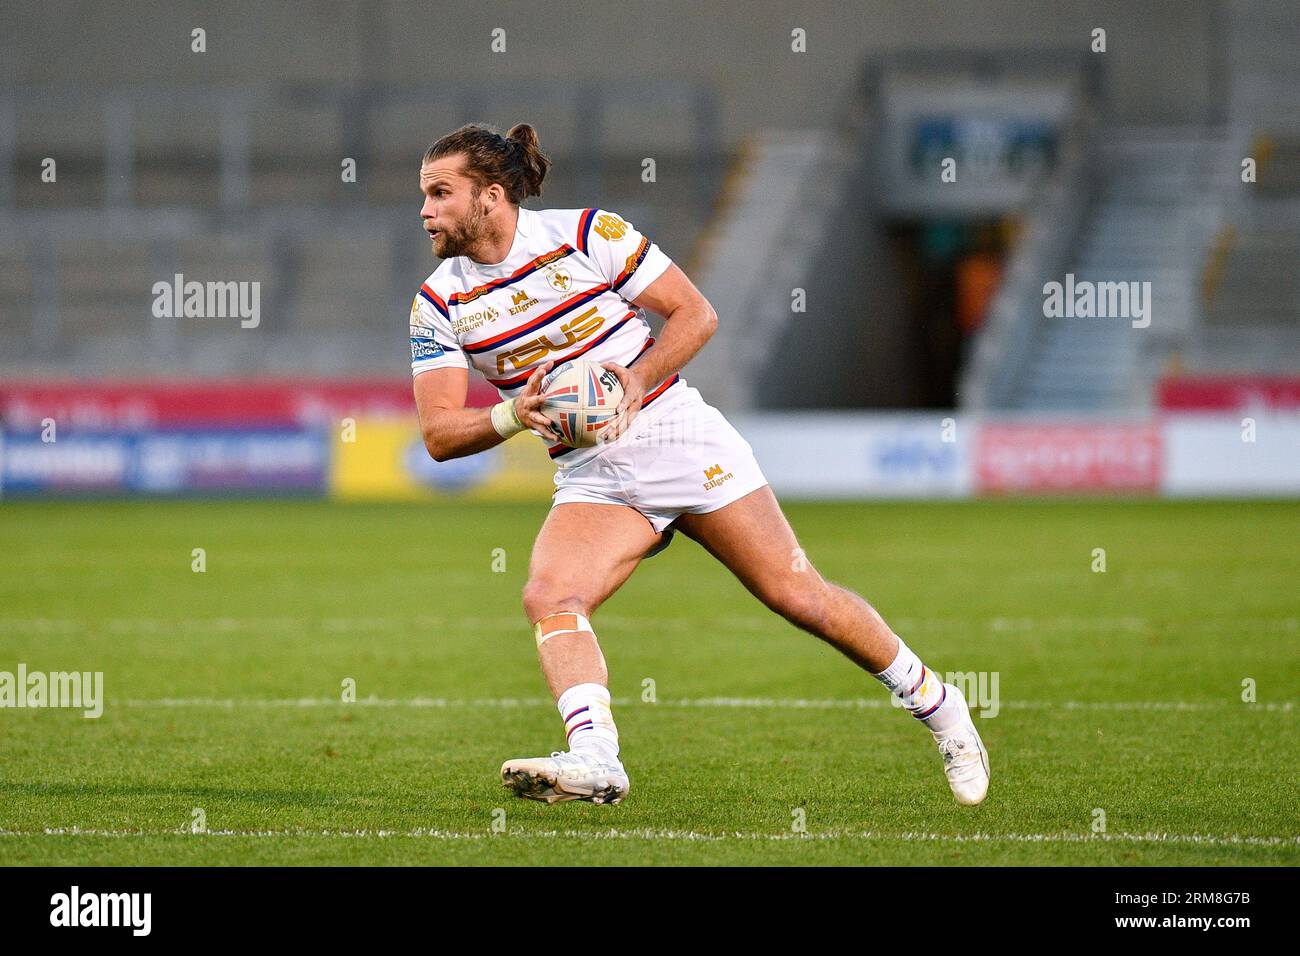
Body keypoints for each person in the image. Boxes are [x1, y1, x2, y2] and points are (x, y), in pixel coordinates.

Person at [410, 122, 989, 807]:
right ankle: (596, 758)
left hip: (674, 432)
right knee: (549, 595)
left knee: (797, 595)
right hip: (593, 472)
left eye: (440, 194)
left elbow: (696, 313)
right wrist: (514, 414)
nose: (425, 211)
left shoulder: (589, 233)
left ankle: (942, 708)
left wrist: (634, 378)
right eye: (424, 196)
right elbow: (441, 435)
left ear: (493, 195)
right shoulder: (439, 301)